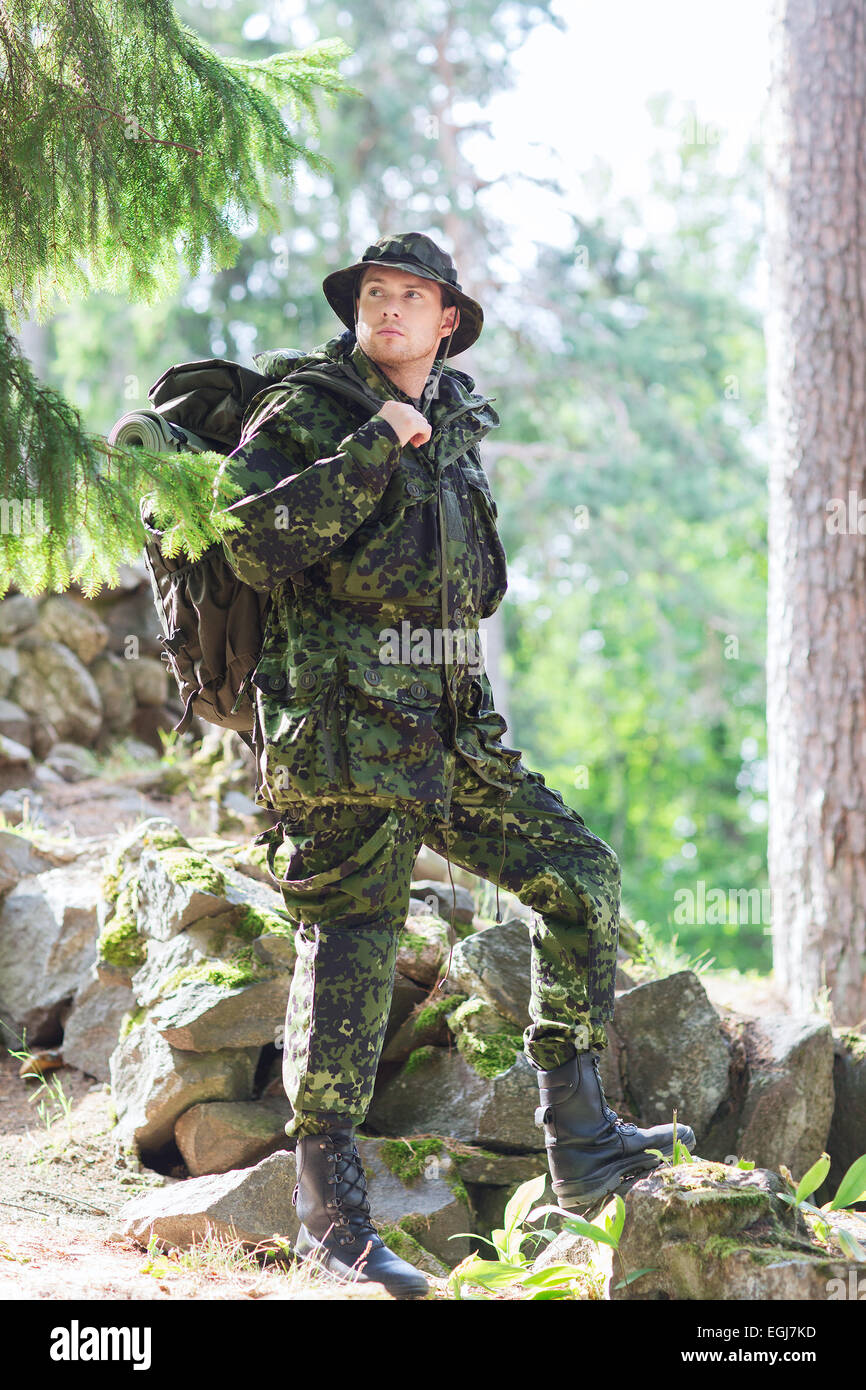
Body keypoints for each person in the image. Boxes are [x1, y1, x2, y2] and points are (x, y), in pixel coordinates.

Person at [216, 231, 695, 1299]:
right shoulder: (305, 411)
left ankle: (581, 1138)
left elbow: (463, 593)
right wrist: (371, 447)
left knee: (581, 877)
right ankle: (330, 1222)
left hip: (447, 740)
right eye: (372, 294)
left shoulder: (459, 426)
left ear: (447, 321)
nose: (386, 309)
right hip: (338, 741)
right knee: (349, 956)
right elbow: (248, 542)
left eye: (410, 297)